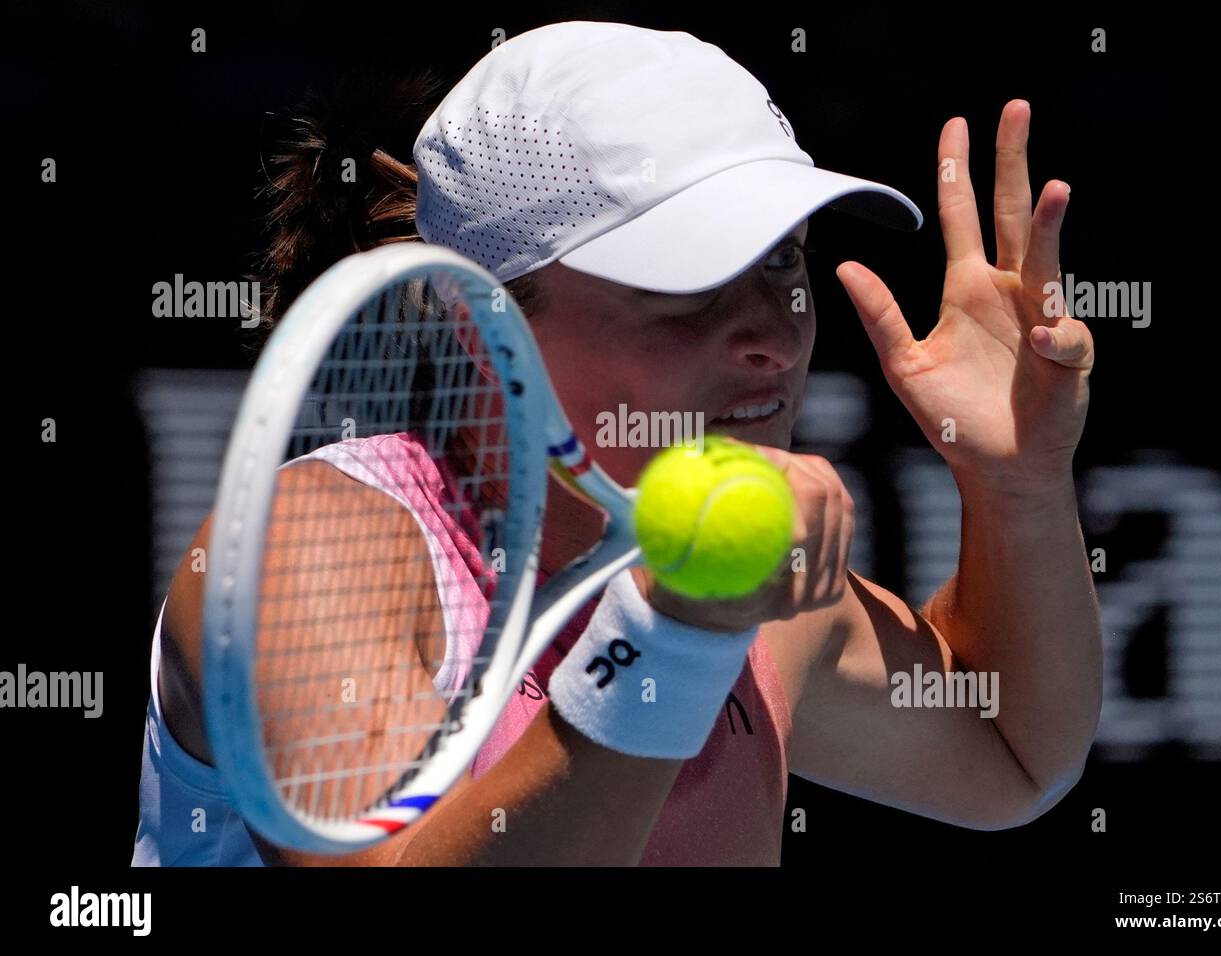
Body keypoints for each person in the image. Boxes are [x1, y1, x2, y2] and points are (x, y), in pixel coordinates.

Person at [132, 21, 1101, 867]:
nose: (770, 332)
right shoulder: (313, 549)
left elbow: (1008, 755)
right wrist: (673, 639)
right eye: (685, 286)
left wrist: (1014, 482)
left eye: (781, 263)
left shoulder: (750, 588)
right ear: (481, 325)